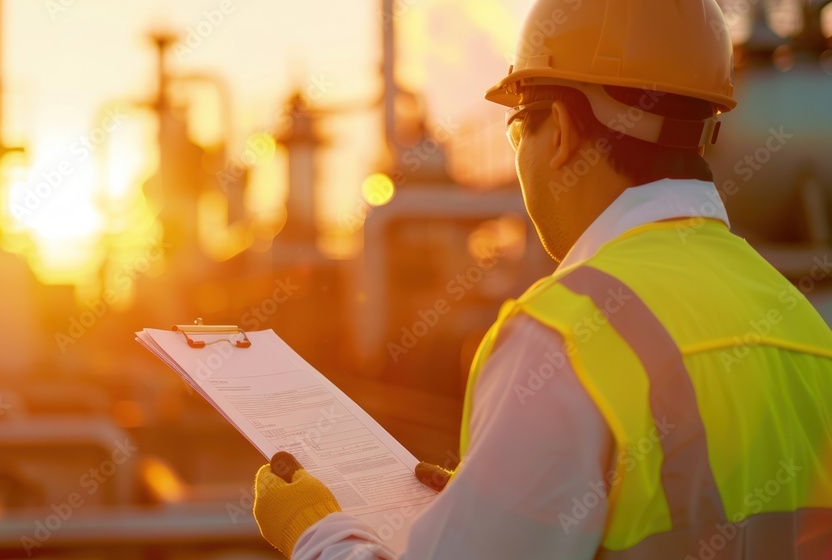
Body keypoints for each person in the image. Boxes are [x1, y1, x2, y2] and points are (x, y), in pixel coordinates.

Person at [252, 0, 832, 558]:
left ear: (558, 131)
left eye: (516, 128)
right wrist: (502, 506)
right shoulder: (803, 328)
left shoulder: (561, 335)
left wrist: (316, 531)